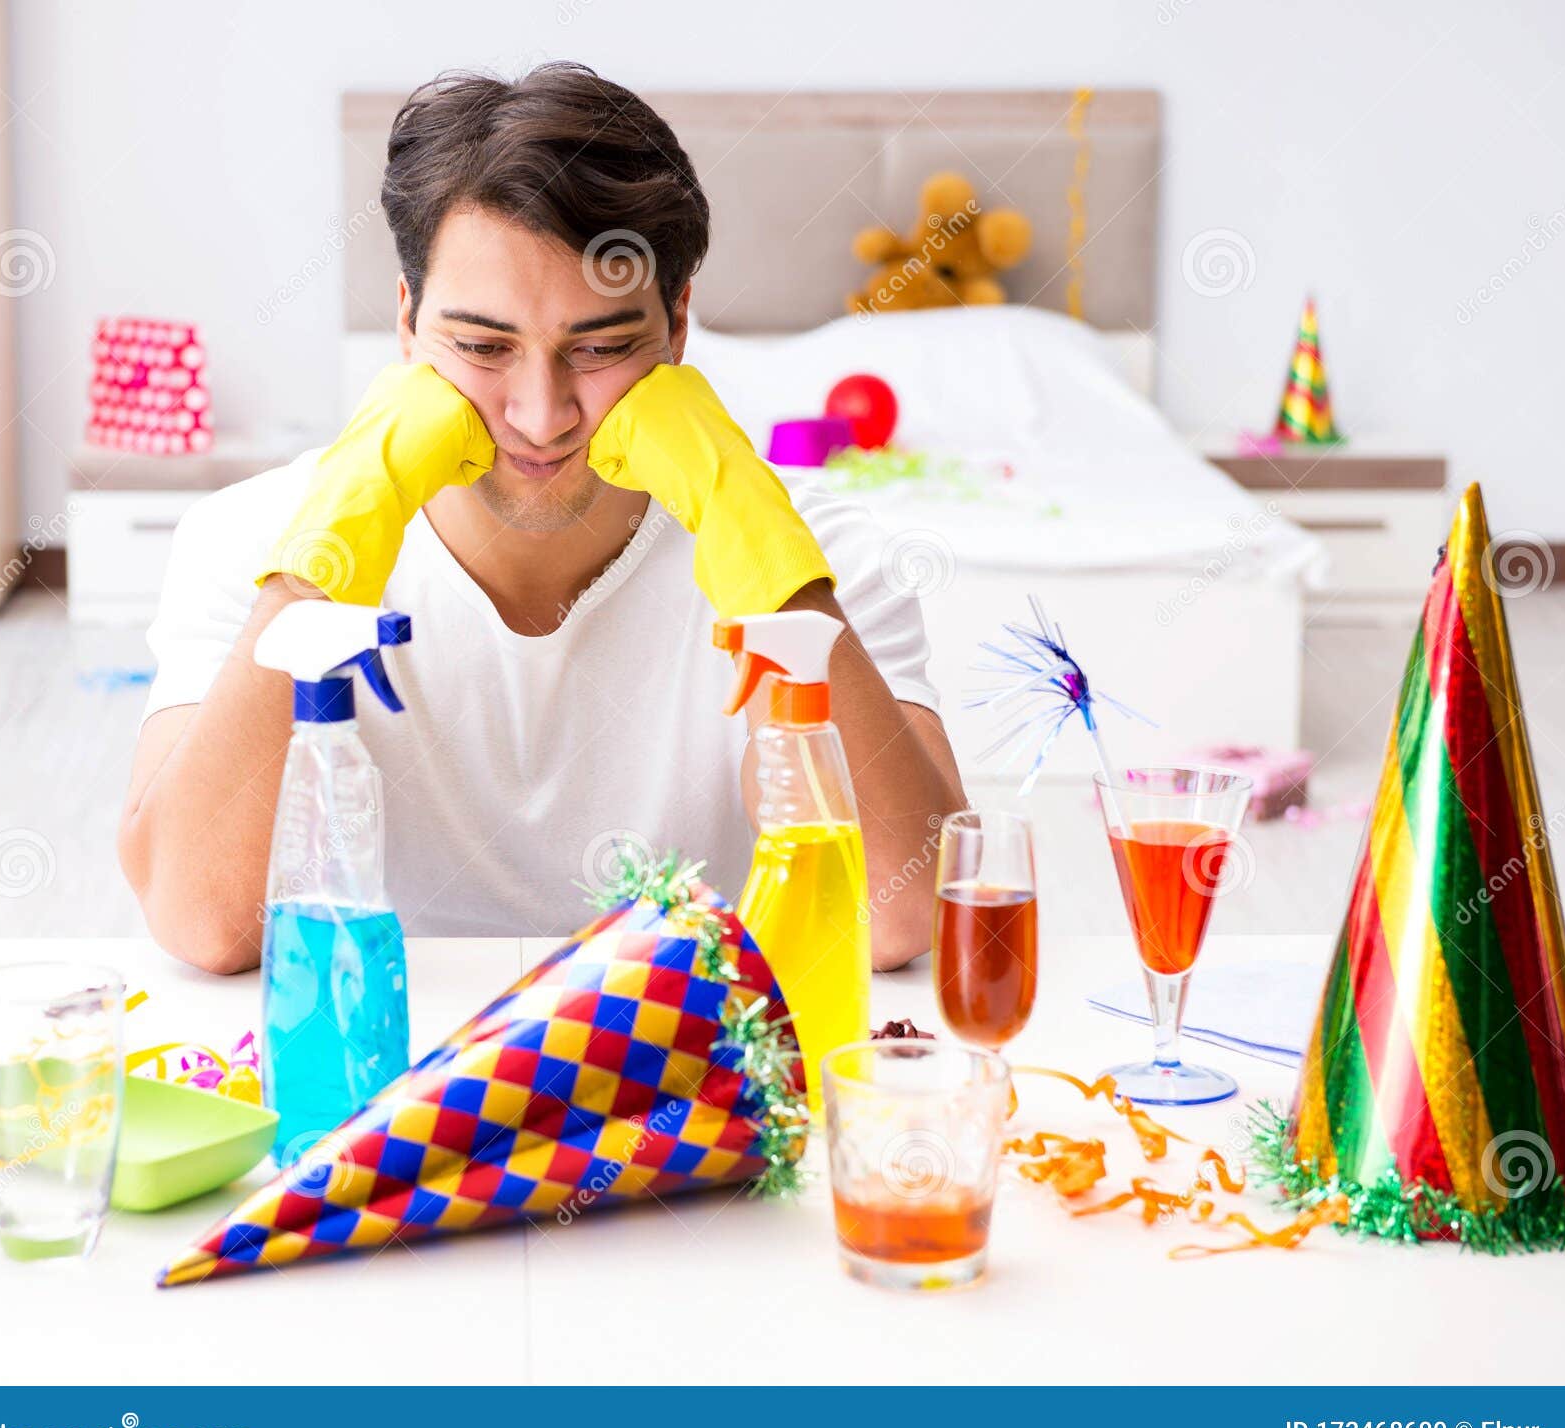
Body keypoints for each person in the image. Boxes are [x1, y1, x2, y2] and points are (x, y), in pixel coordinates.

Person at [118, 62, 966, 974]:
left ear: (678, 325)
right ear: (407, 324)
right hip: (389, 1052)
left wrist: (751, 534)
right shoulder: (251, 541)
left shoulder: (820, 560)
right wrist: (319, 563)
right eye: (482, 346)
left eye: (600, 347)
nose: (541, 415)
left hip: (687, 1050)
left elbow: (897, 917)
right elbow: (202, 921)